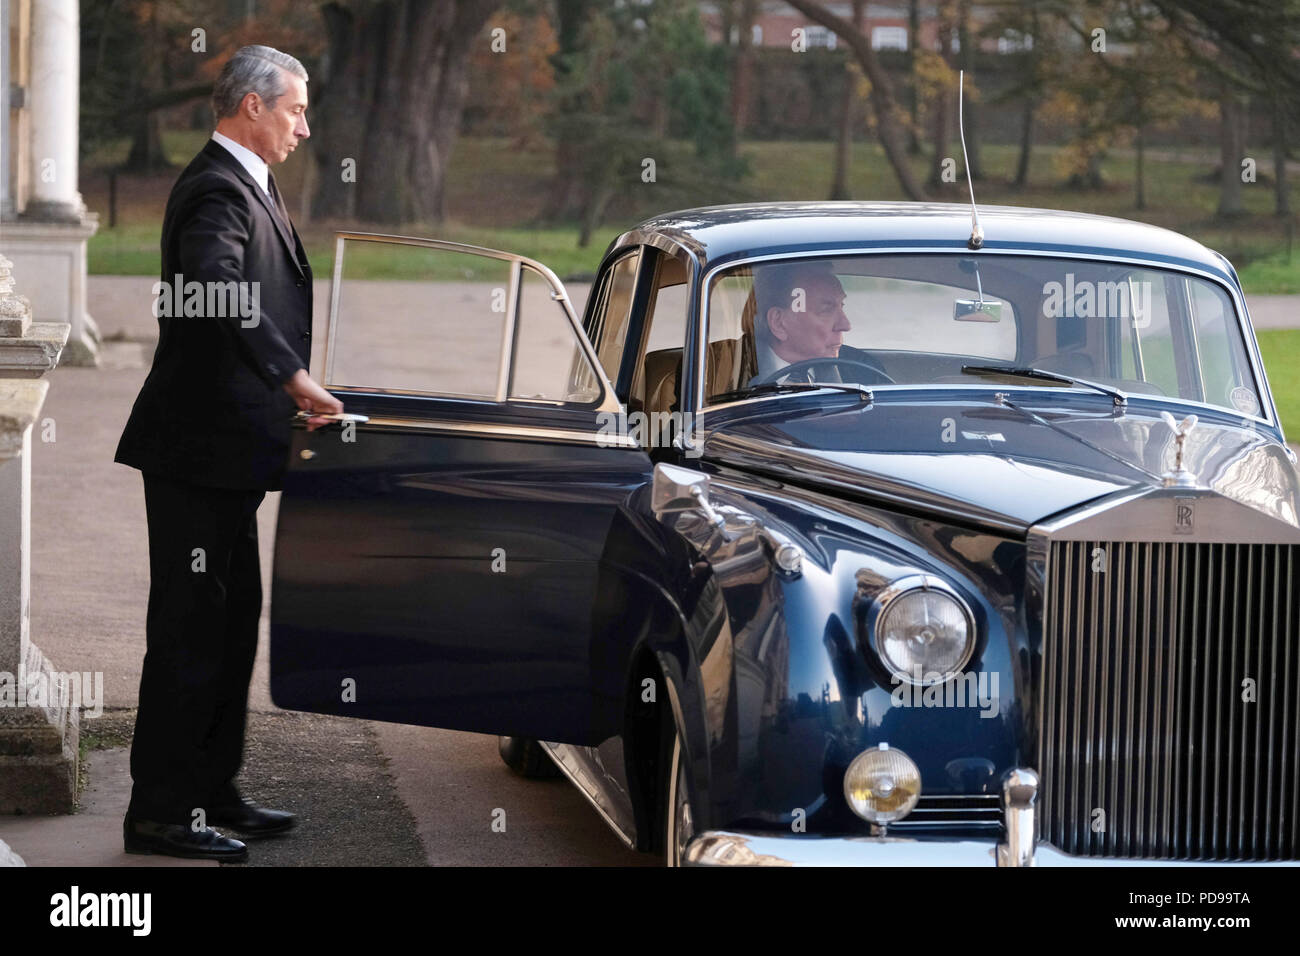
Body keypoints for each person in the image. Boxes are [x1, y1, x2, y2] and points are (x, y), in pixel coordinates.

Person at [113, 44, 342, 862]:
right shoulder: (217, 186)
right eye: (294, 110)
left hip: (224, 457)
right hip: (195, 456)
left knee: (231, 623)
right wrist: (293, 377)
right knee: (190, 631)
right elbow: (218, 292)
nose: (303, 127)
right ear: (252, 106)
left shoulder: (246, 180)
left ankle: (211, 789)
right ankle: (161, 814)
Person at [749, 260, 886, 386]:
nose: (845, 325)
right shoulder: (730, 372)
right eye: (826, 310)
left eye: (841, 306)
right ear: (779, 322)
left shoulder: (864, 371)